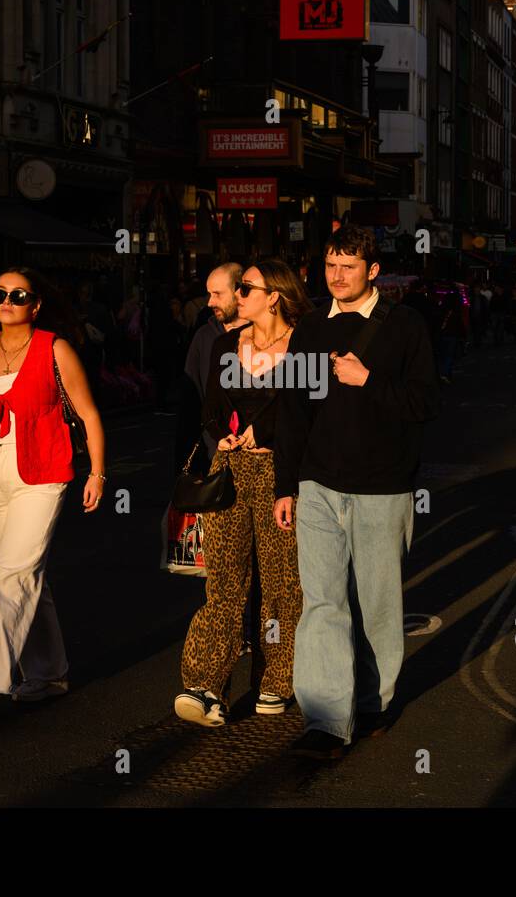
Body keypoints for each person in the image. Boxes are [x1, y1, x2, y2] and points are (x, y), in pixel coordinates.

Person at [274, 225, 440, 759]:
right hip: (318, 484)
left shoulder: (406, 326)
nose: (337, 276)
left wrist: (368, 380)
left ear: (373, 272)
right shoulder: (310, 330)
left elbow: (423, 403)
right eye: (329, 266)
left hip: (382, 487)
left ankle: (372, 703)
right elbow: (293, 412)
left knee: (376, 604)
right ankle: (324, 719)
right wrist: (286, 485)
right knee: (322, 602)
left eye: (348, 267)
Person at [0, 268, 107, 724]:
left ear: (35, 305)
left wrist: (97, 473)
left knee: (11, 576)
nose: (7, 301)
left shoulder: (54, 348)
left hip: (43, 474)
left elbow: (89, 412)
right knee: (19, 572)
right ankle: (48, 673)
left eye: (18, 295)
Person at [175, 260, 311, 727]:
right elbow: (211, 408)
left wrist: (264, 430)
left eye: (247, 287)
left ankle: (276, 680)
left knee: (280, 585)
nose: (238, 294)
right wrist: (225, 434)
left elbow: (308, 408)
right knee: (225, 582)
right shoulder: (226, 344)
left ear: (274, 295)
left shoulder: (304, 346)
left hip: (281, 474)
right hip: (230, 470)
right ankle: (205, 684)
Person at [176, 263, 246, 466]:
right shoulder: (204, 336)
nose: (210, 302)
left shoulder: (262, 334)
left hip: (259, 455)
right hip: (215, 455)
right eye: (209, 294)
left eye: (218, 294)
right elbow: (190, 401)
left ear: (239, 291)